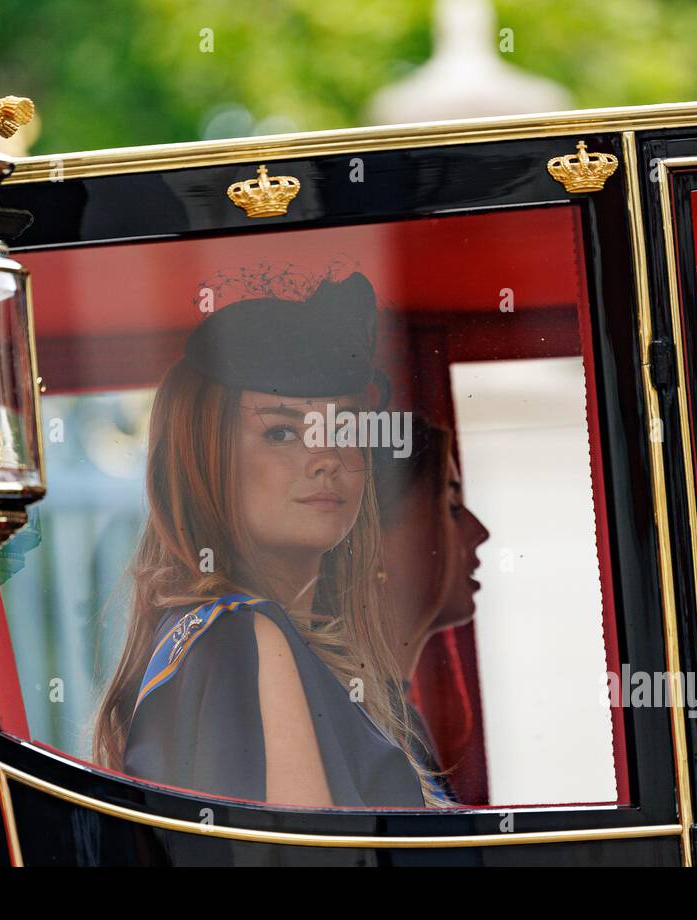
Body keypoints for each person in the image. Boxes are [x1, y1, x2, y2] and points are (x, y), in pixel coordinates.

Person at [93, 272, 441, 808]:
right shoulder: (246, 633)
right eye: (282, 431)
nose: (327, 457)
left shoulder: (212, 634)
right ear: (205, 458)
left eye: (344, 429)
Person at [373, 416, 490, 799]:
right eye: (452, 507)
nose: (480, 531)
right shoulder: (361, 720)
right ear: (370, 536)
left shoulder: (398, 716)